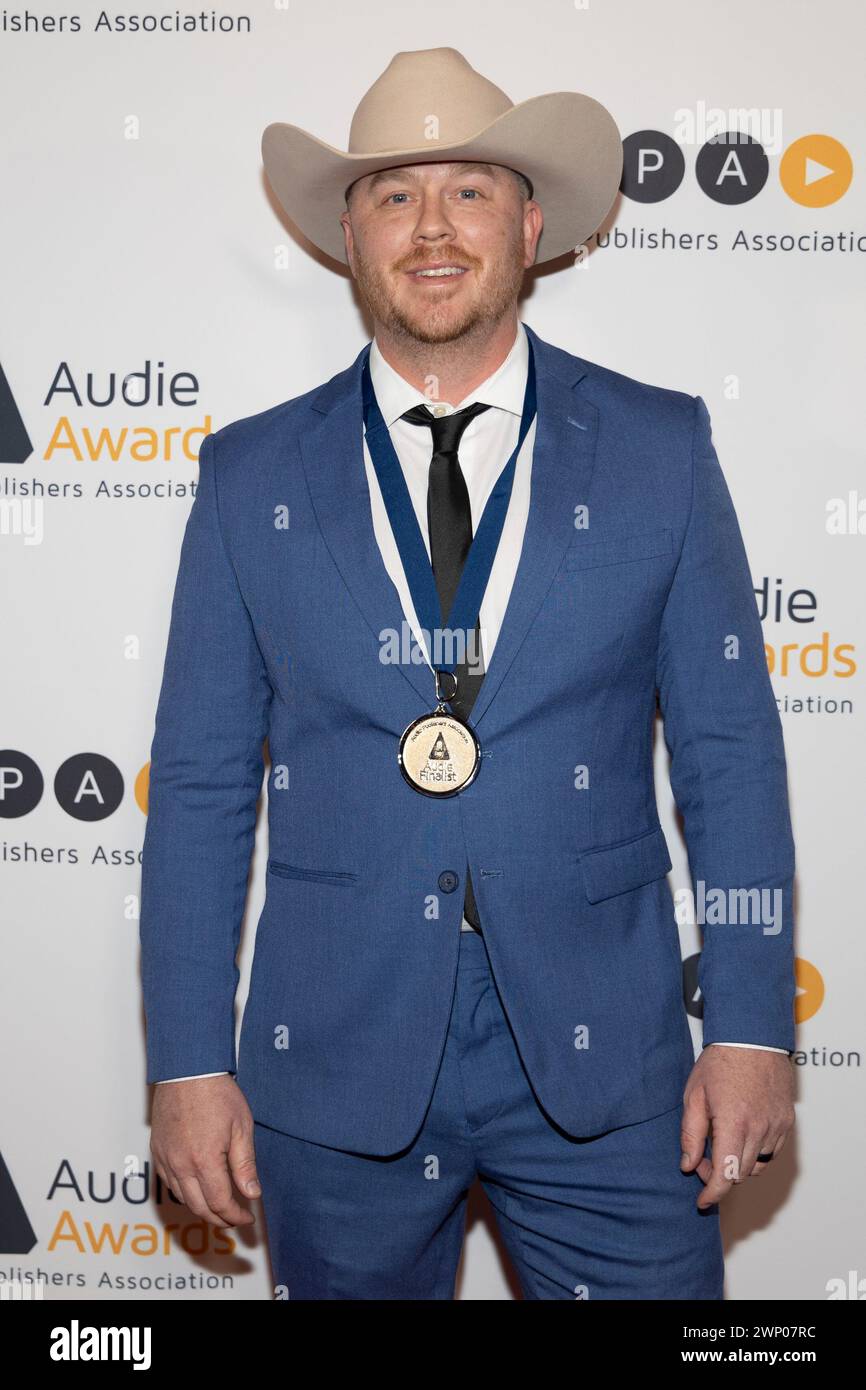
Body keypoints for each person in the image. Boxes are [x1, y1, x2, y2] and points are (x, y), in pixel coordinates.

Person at [140, 47, 796, 1300]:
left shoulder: (661, 449)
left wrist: (754, 1026)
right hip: (336, 1054)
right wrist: (185, 1061)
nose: (431, 228)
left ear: (531, 221)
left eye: (470, 192)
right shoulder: (248, 479)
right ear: (348, 232)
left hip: (609, 1069)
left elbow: (728, 754)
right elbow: (206, 782)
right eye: (393, 194)